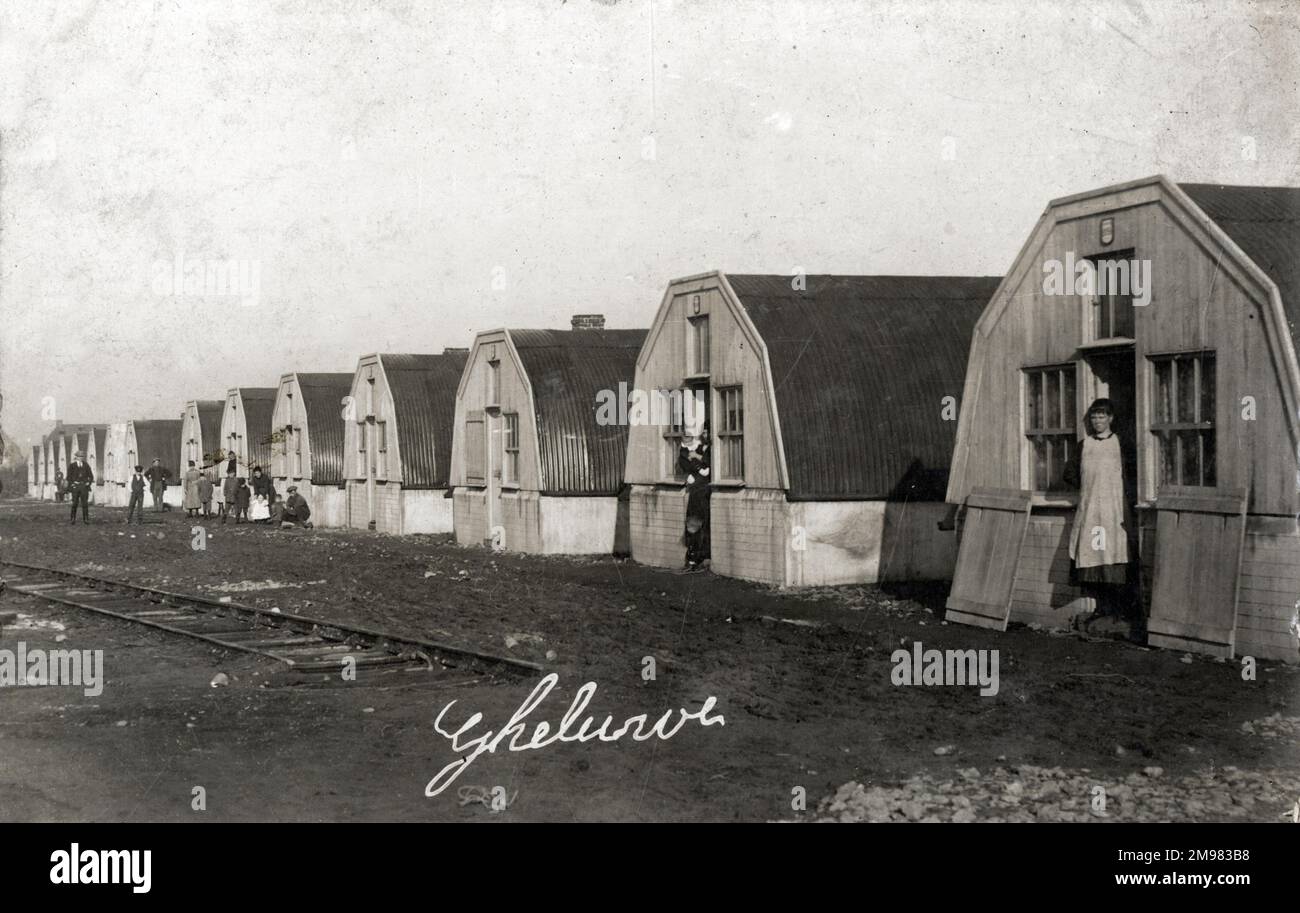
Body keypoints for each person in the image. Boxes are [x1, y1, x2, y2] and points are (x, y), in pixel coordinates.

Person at [1065, 398, 1139, 636]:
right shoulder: (1083, 446)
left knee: (1114, 556)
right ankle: (1101, 608)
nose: (1098, 421)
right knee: (1093, 557)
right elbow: (1070, 475)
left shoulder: (1121, 445)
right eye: (1094, 417)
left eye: (1102, 417)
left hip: (1114, 510)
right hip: (1090, 511)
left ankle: (1117, 611)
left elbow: (1133, 475)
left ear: (1111, 418)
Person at [678, 423, 712, 571]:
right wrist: (697, 467)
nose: (705, 435)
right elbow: (688, 462)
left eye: (707, 432)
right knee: (695, 522)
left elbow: (707, 465)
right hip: (698, 490)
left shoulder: (709, 449)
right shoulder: (698, 448)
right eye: (703, 433)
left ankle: (698, 557)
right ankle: (693, 558)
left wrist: (698, 462)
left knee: (700, 522)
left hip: (703, 490)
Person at [65, 450, 94, 524]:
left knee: (85, 503)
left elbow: (91, 476)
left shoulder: (86, 465)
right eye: (79, 456)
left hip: (84, 487)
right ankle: (73, 519)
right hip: (75, 486)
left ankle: (86, 519)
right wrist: (72, 483)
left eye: (82, 456)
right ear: (76, 457)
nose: (80, 458)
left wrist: (88, 483)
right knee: (75, 503)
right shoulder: (72, 466)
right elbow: (68, 477)